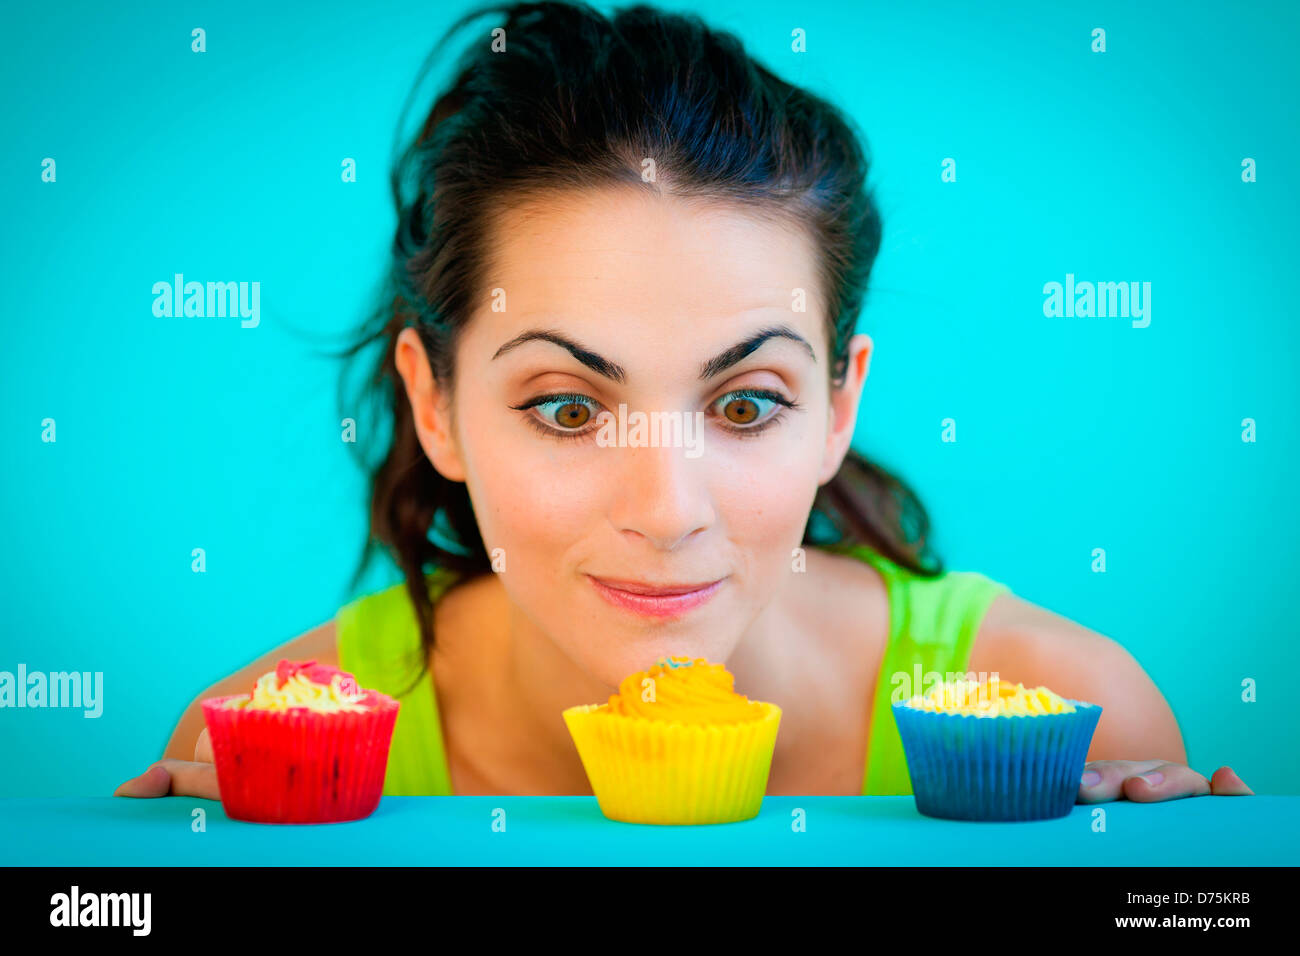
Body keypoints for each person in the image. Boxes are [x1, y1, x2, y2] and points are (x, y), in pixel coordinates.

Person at [116, 1, 1251, 803]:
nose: (667, 510)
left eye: (748, 404)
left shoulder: (1073, 717)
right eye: (566, 408)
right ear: (437, 403)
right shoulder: (261, 744)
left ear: (838, 407)